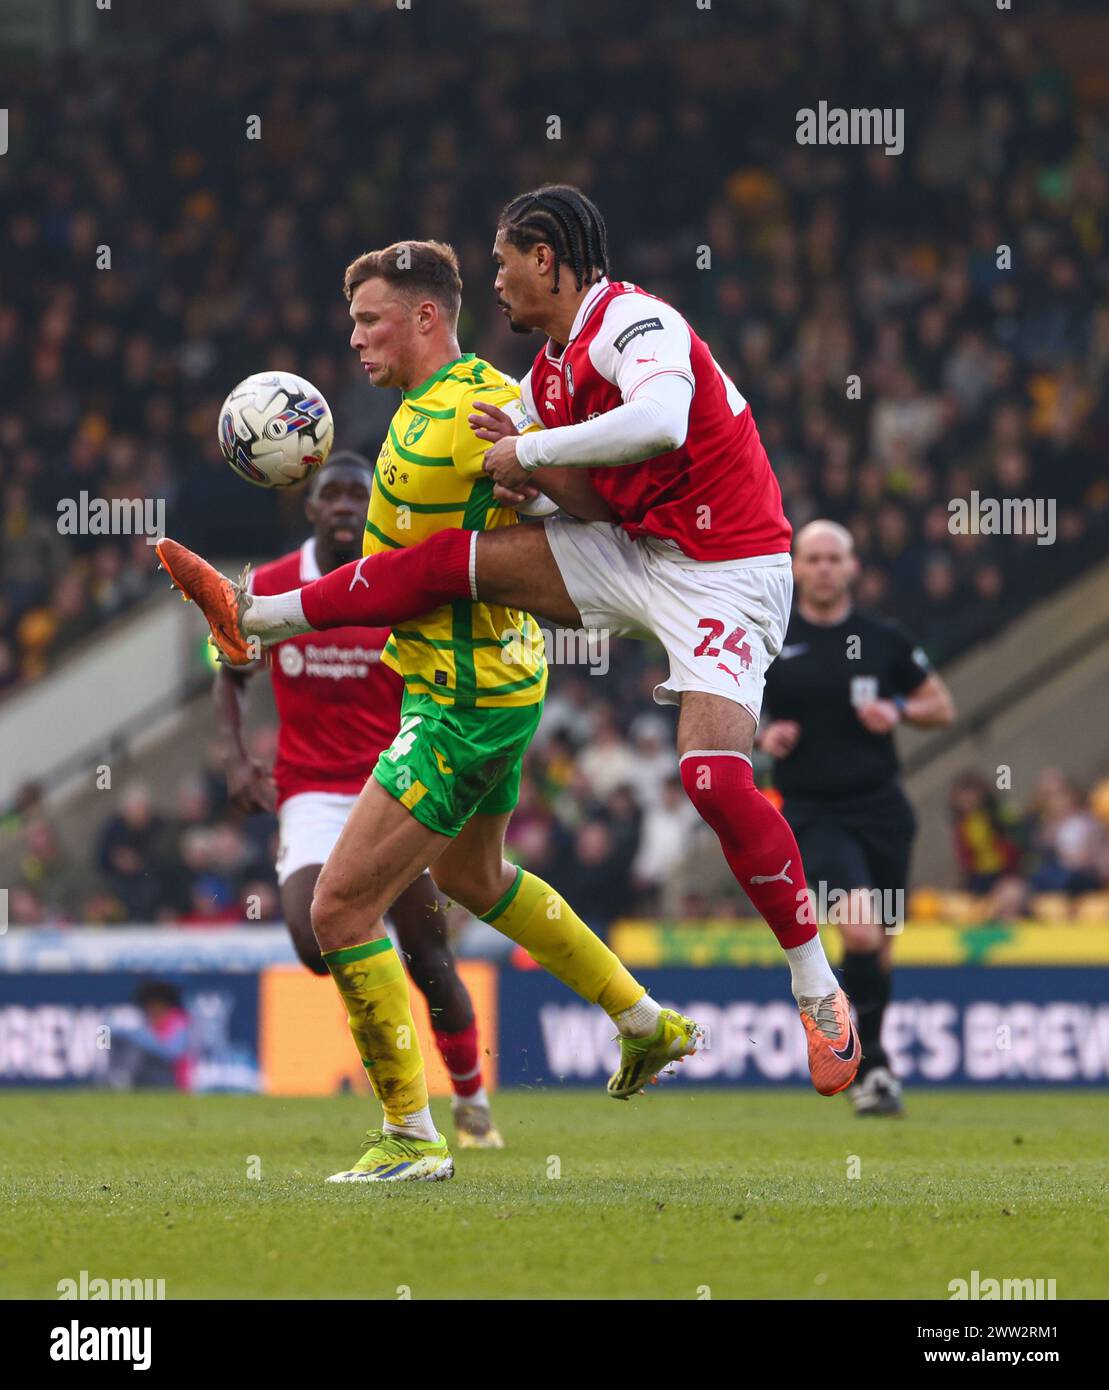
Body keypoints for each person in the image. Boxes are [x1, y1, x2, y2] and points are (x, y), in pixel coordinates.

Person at [159, 186, 860, 1099]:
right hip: (632, 547)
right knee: (451, 559)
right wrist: (529, 474)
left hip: (727, 566)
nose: (492, 282)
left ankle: (817, 990)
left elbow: (660, 423)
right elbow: (579, 497)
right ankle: (252, 615)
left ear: (546, 258)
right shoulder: (545, 376)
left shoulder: (633, 322)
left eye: (501, 262)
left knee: (711, 777)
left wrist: (529, 455)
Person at [160, 238, 700, 1183]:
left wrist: (260, 616)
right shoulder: (444, 405)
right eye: (352, 321)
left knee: (337, 908)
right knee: (479, 879)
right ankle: (644, 1022)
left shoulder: (456, 419)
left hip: (459, 702)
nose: (356, 338)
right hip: (502, 683)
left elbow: (410, 579)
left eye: (370, 319)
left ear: (424, 317)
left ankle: (411, 1136)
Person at [213, 450, 504, 1148]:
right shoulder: (277, 585)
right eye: (331, 494)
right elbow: (231, 669)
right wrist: (236, 757)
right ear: (309, 507)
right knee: (317, 944)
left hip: (400, 785)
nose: (345, 504)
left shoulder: (396, 579)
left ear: (373, 507)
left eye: (356, 494)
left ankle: (471, 1104)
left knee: (431, 960)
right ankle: (392, 1042)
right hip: (310, 794)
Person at [760, 520, 956, 1115]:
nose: (822, 568)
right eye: (812, 557)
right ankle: (869, 1068)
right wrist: (764, 734)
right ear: (795, 567)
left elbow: (941, 707)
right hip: (814, 813)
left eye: (832, 558)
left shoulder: (883, 637)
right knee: (862, 929)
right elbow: (727, 712)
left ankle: (875, 1063)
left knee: (881, 949)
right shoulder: (771, 639)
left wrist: (897, 708)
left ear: (852, 568)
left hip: (883, 809)